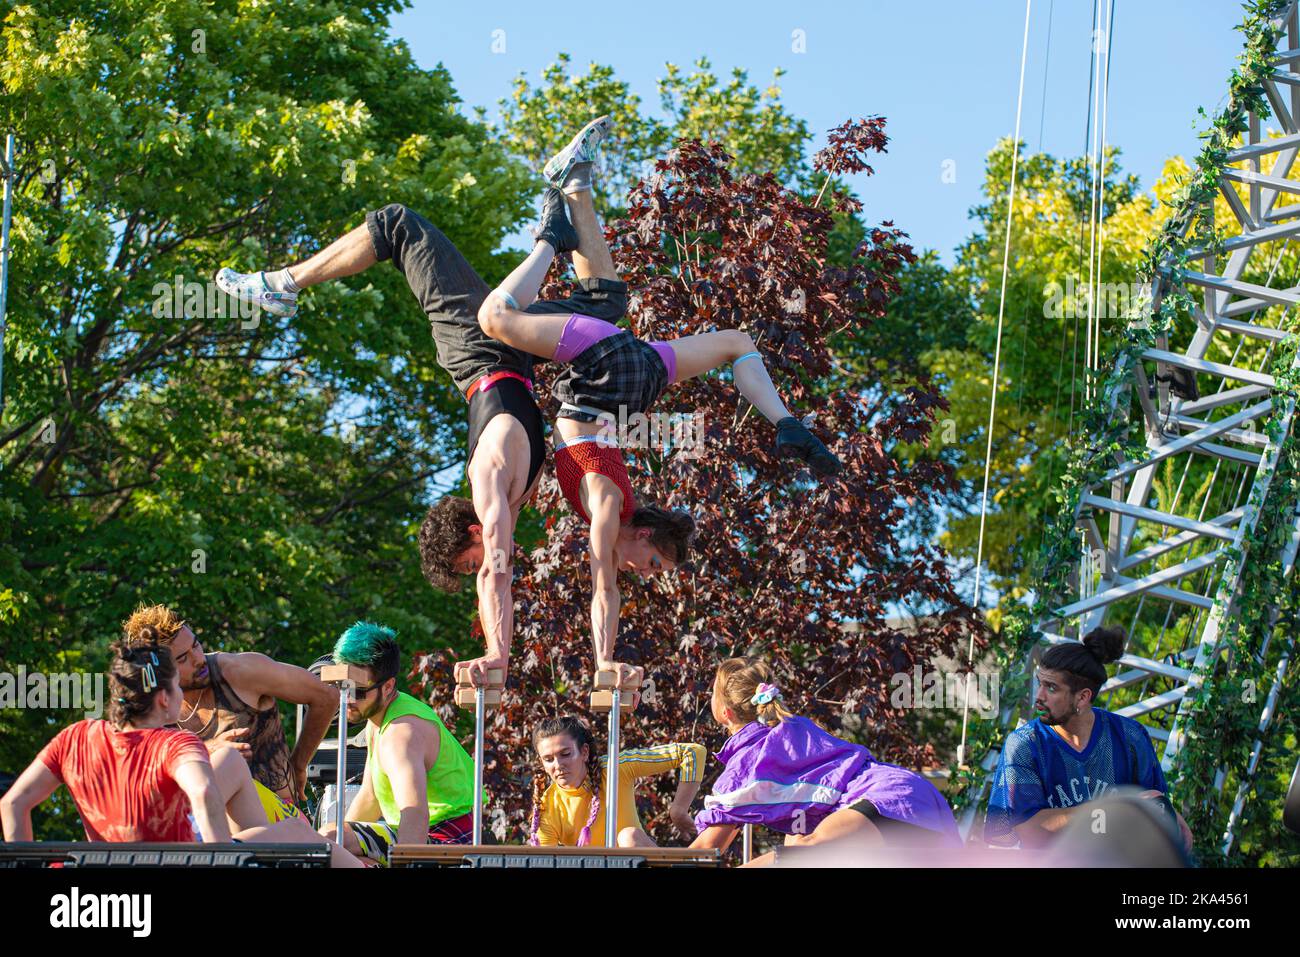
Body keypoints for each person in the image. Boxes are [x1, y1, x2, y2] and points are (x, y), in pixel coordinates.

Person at [215, 118, 625, 690]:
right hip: (517, 350)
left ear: (472, 534)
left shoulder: (492, 484)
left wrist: (496, 654)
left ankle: (282, 283)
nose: (481, 564)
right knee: (604, 309)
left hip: (476, 346)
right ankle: (573, 178)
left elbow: (496, 578)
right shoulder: (518, 490)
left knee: (396, 224)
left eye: (468, 561)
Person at [476, 121, 840, 688]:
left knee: (732, 341)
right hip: (608, 375)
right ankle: (548, 236)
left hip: (641, 375)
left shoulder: (621, 496)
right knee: (494, 319)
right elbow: (604, 585)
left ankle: (787, 423)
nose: (636, 571)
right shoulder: (609, 505)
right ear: (643, 536)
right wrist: (603, 662)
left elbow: (612, 574)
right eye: (648, 564)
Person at [0, 641, 361, 867]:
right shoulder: (174, 745)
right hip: (172, 862)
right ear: (163, 698)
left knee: (232, 763)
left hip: (104, 869)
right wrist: (224, 862)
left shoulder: (75, 737)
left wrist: (22, 863)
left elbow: (13, 803)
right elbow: (203, 793)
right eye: (177, 685)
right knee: (297, 831)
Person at [689, 657, 960, 864]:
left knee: (801, 856)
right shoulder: (794, 727)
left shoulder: (747, 763)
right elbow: (797, 832)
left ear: (724, 712)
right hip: (917, 799)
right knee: (799, 850)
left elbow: (703, 852)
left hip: (886, 803)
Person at [984, 626, 1194, 852]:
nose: (1038, 696)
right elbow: (1029, 830)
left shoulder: (1130, 737)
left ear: (1083, 697)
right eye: (1040, 683)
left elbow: (1153, 806)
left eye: (1051, 688)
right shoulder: (1025, 744)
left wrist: (1166, 816)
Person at [122, 602, 336, 813]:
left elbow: (326, 696)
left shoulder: (240, 670)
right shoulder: (148, 708)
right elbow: (135, 776)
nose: (198, 659)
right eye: (182, 658)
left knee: (228, 765)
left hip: (278, 821)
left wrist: (299, 765)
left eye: (196, 645)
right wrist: (207, 751)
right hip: (200, 829)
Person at [319, 621, 477, 864]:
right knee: (342, 848)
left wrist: (339, 840)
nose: (347, 698)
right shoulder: (378, 719)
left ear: (388, 686)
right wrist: (344, 843)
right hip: (432, 835)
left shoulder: (400, 733)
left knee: (329, 838)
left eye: (358, 691)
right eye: (342, 686)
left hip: (448, 843)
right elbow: (370, 798)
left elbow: (414, 815)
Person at [528, 715, 704, 847]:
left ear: (584, 752)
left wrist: (678, 810)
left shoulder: (615, 769)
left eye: (565, 754)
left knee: (629, 836)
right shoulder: (546, 808)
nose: (558, 765)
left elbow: (693, 752)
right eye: (548, 759)